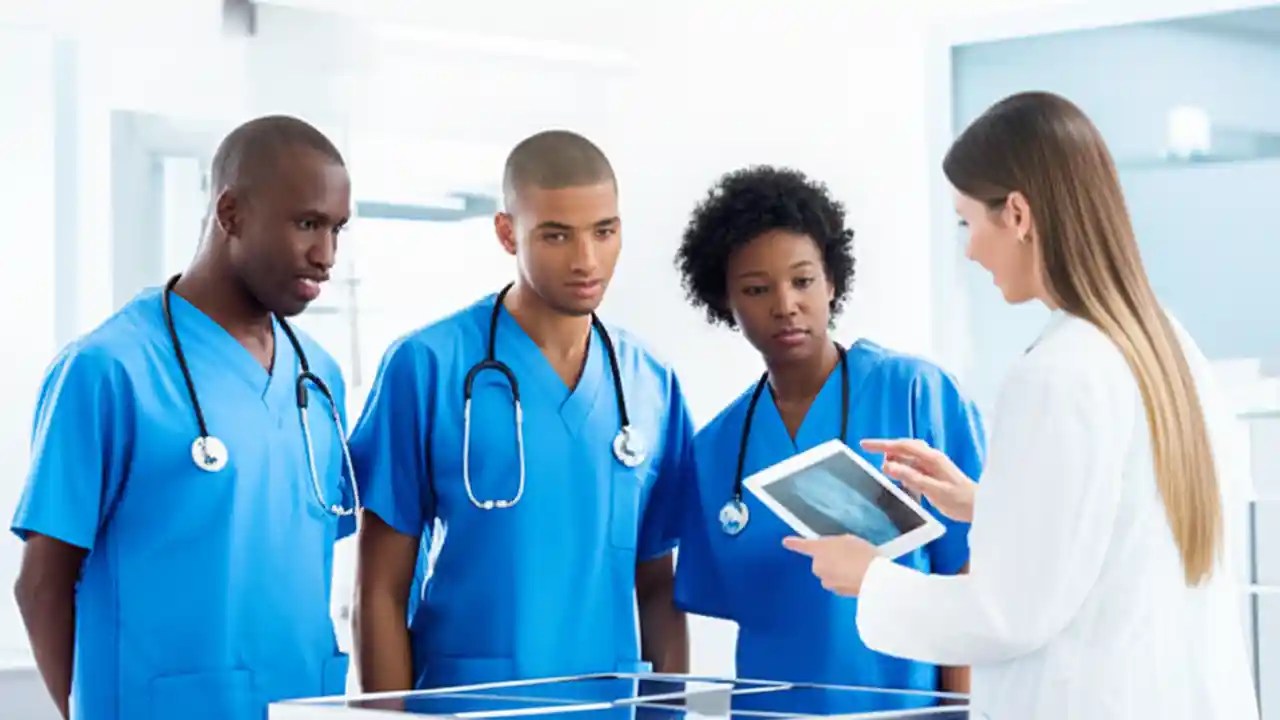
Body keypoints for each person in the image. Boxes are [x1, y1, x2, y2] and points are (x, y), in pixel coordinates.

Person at [783, 92, 1261, 719]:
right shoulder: (1168, 348)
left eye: (967, 223)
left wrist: (868, 577)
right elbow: (1132, 530)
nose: (970, 251)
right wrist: (988, 503)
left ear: (1017, 213)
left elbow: (1007, 614)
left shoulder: (1058, 375)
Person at [11, 116, 356, 720]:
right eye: (306, 224)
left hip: (303, 699)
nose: (325, 256)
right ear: (230, 213)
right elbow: (41, 585)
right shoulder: (108, 369)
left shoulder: (318, 378)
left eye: (337, 229)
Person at [349, 129, 693, 693]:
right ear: (508, 233)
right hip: (469, 701)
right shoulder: (427, 365)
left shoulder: (650, 382)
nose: (587, 260)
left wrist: (674, 712)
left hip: (604, 701)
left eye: (603, 232)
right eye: (556, 236)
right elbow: (380, 588)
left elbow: (656, 586)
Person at [671, 165, 986, 713]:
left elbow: (967, 576)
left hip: (905, 708)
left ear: (832, 281)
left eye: (803, 280)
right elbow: (741, 607)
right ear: (726, 302)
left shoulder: (913, 392)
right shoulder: (716, 448)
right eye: (756, 289)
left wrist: (963, 711)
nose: (784, 304)